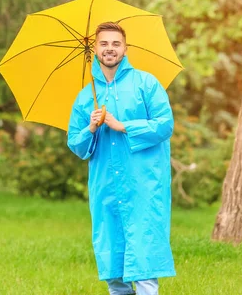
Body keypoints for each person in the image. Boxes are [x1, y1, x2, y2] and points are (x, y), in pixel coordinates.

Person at [67, 21, 176, 295]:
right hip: (106, 186)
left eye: (116, 44)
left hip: (143, 184)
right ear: (95, 48)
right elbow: (76, 145)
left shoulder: (146, 84)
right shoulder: (85, 96)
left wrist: (124, 125)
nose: (110, 49)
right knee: (112, 260)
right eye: (104, 43)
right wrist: (91, 128)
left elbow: (165, 124)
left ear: (125, 49)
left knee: (144, 258)